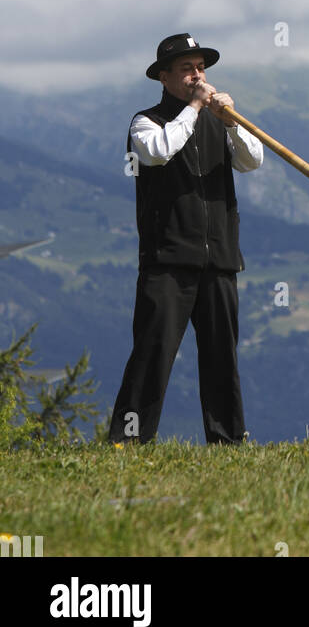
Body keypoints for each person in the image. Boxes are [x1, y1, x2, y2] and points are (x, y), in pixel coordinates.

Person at [108, 34, 263, 445]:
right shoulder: (145, 121)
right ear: (163, 77)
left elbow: (253, 160)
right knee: (153, 354)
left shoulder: (221, 119)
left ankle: (228, 441)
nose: (197, 76)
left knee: (221, 358)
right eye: (186, 69)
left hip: (220, 259)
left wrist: (231, 120)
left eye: (201, 68)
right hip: (168, 259)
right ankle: (128, 443)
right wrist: (195, 107)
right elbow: (159, 152)